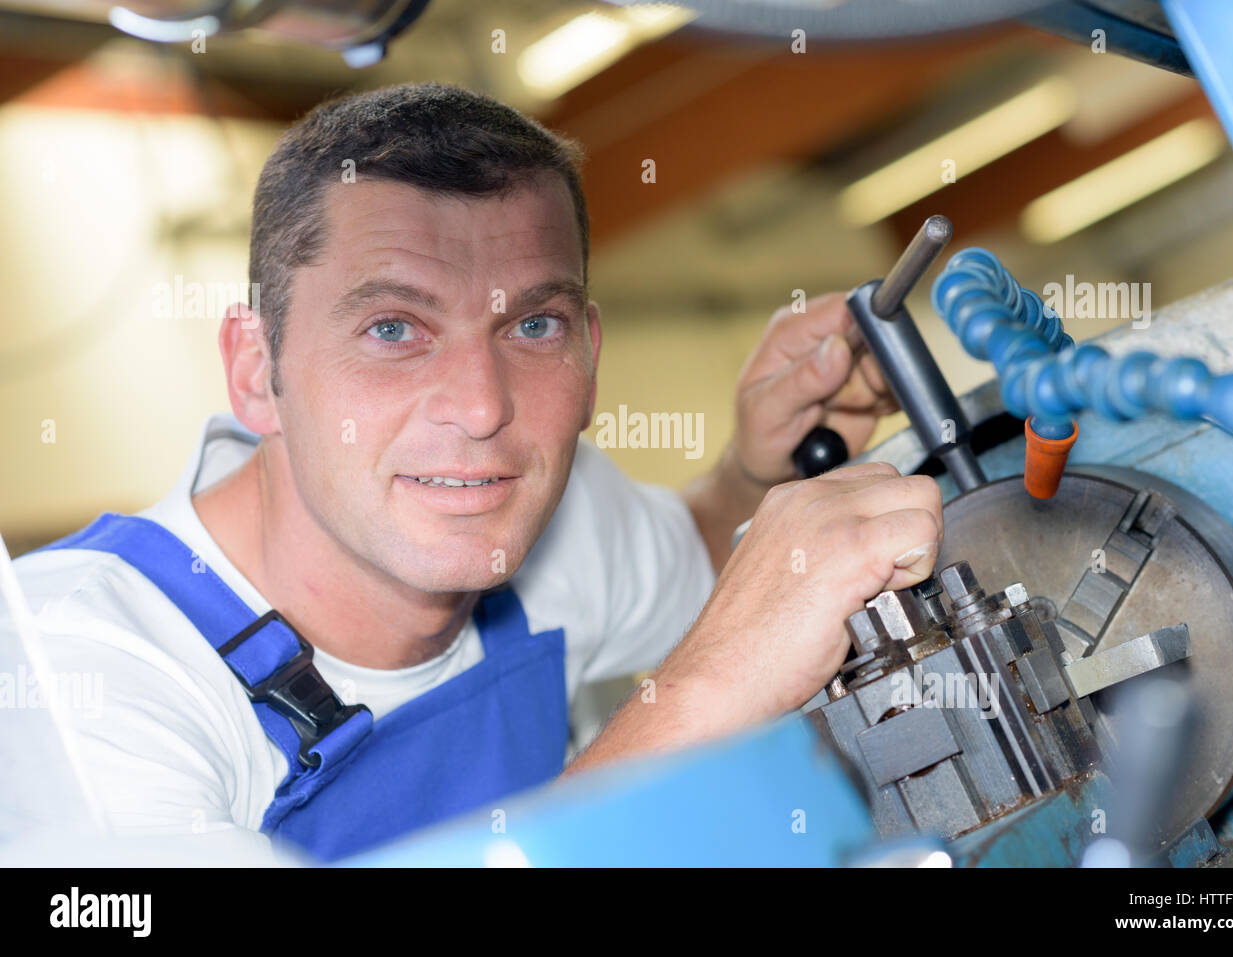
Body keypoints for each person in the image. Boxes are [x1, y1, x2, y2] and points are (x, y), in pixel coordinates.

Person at [5, 83, 941, 862]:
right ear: (258, 369)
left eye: (533, 325)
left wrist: (750, 479)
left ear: (590, 357)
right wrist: (704, 694)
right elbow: (729, 643)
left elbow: (704, 559)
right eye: (392, 329)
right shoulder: (76, 670)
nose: (483, 406)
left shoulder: (555, 516)